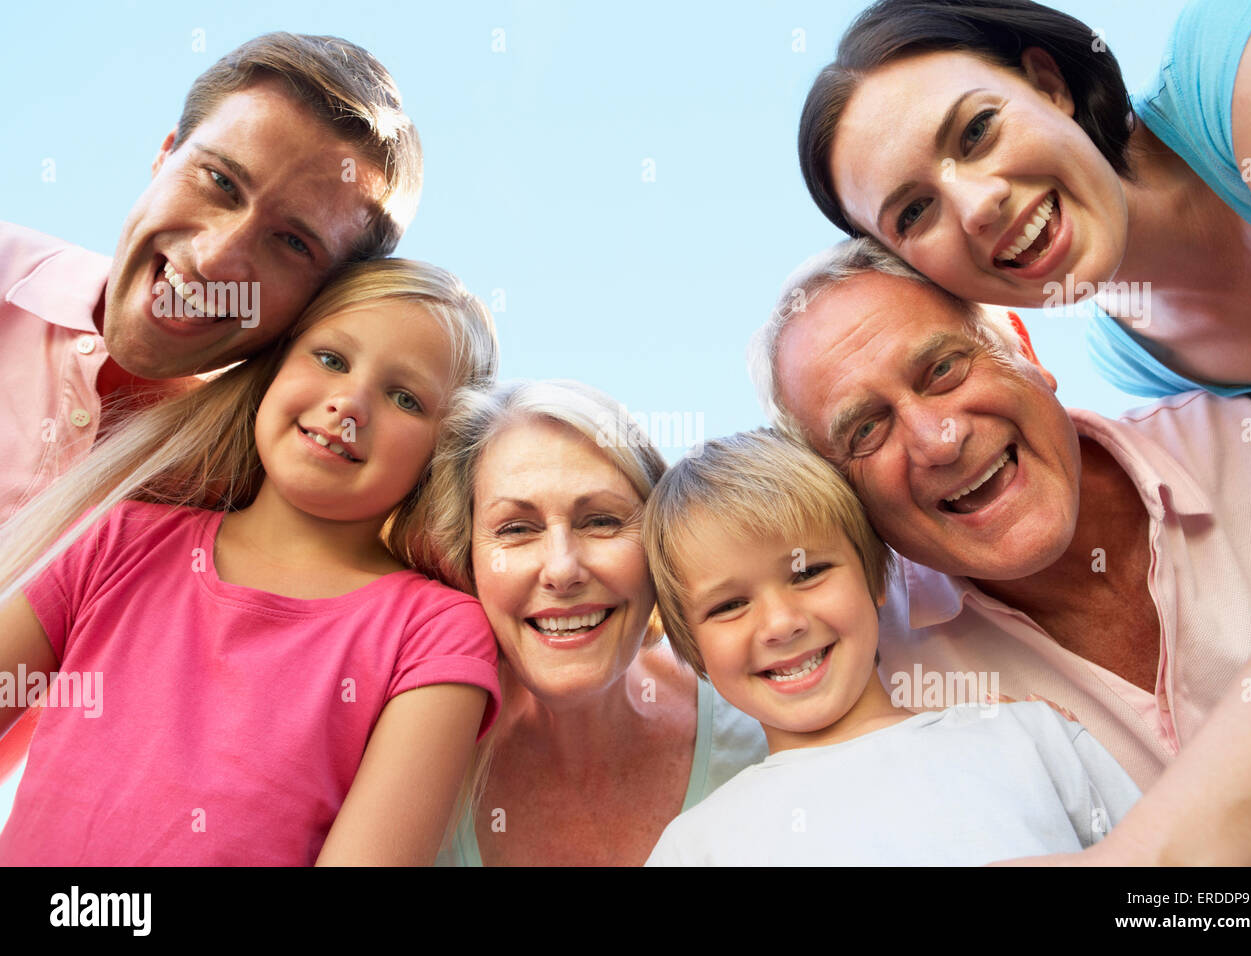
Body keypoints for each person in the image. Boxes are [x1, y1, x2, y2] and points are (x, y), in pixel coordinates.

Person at [750, 238, 1251, 862]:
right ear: (842, 497)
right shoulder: (873, 680)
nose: (938, 441)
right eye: (867, 430)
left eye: (942, 369)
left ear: (1025, 348)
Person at [0, 259, 499, 865]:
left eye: (405, 398)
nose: (351, 403)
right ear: (275, 367)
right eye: (332, 359)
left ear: (443, 451)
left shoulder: (436, 631)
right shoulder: (117, 540)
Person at [641, 429, 1139, 865]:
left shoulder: (1033, 739)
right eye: (728, 606)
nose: (781, 624)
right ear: (692, 647)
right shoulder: (693, 850)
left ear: (877, 576)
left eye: (809, 573)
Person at [0, 31, 422, 524]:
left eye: (292, 242)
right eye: (220, 181)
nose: (216, 260)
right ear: (166, 154)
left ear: (325, 297)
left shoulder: (276, 491)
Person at [798, 0, 1251, 401]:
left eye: (977, 130)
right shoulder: (1131, 361)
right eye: (914, 213)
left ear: (1049, 84)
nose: (977, 207)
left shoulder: (1248, 64)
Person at [429, 380, 767, 866]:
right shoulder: (423, 764)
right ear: (468, 560)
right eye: (517, 529)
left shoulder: (759, 718)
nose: (563, 569)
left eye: (602, 521)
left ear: (658, 542)